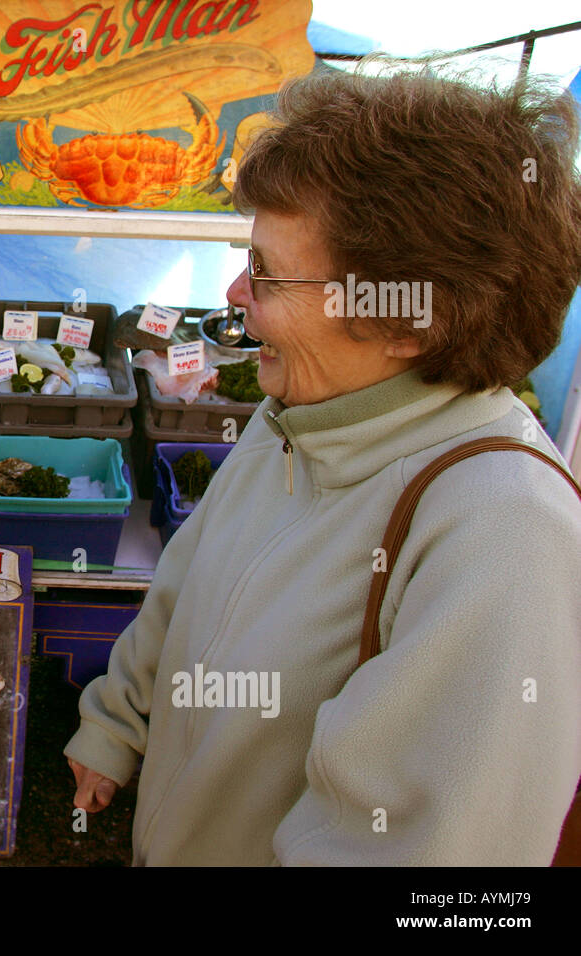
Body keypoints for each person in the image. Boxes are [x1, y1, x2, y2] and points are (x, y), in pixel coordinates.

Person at [66, 64, 581, 865]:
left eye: (268, 273)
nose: (236, 290)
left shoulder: (505, 532)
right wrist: (117, 722)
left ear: (411, 321)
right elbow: (188, 587)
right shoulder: (292, 420)